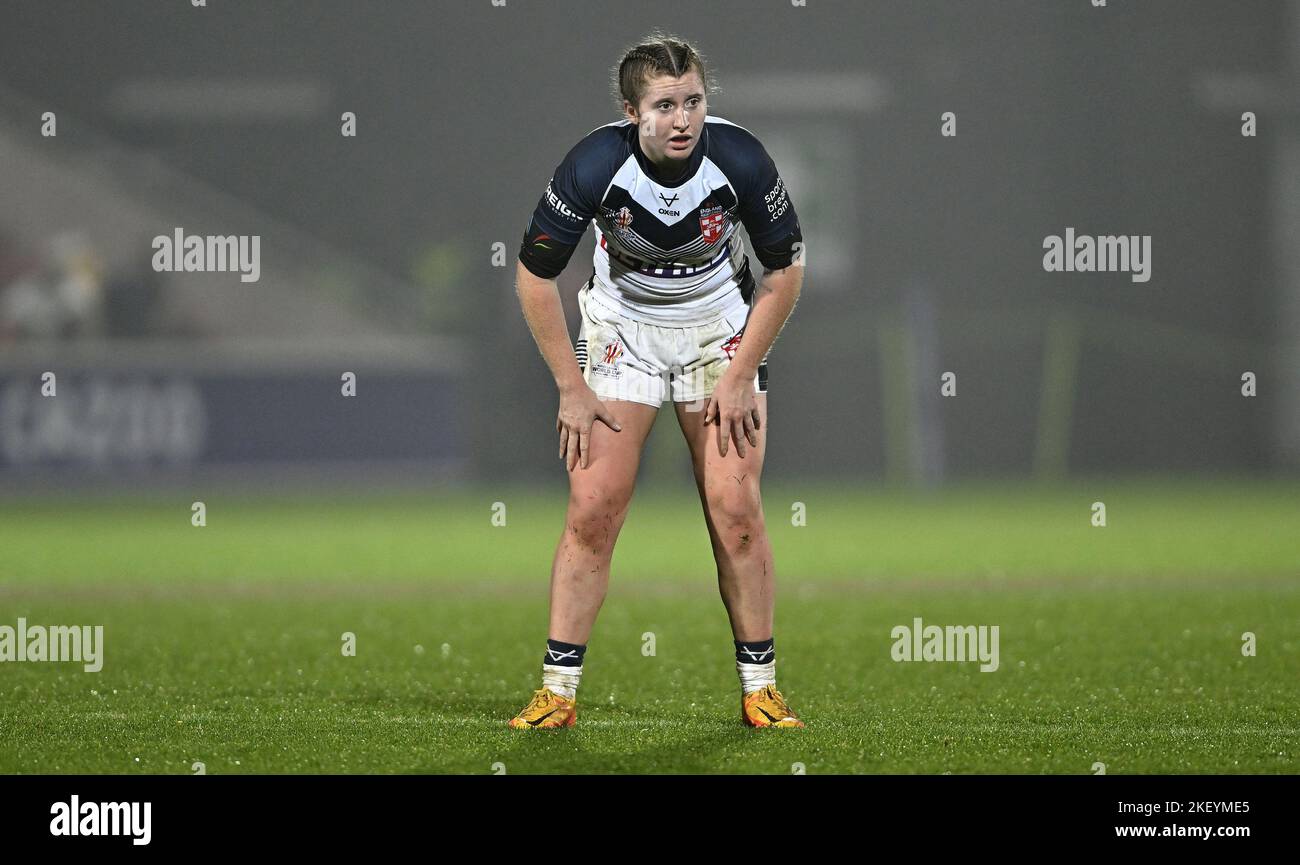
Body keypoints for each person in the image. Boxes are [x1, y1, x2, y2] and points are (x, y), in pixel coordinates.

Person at [510, 33, 806, 729]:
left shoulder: (740, 159)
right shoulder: (593, 164)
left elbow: (785, 273)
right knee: (594, 506)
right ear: (631, 111)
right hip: (622, 331)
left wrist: (737, 376)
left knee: (734, 510)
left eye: (693, 101)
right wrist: (569, 385)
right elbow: (534, 274)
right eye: (665, 105)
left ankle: (760, 688)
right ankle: (557, 692)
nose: (683, 119)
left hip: (716, 332)